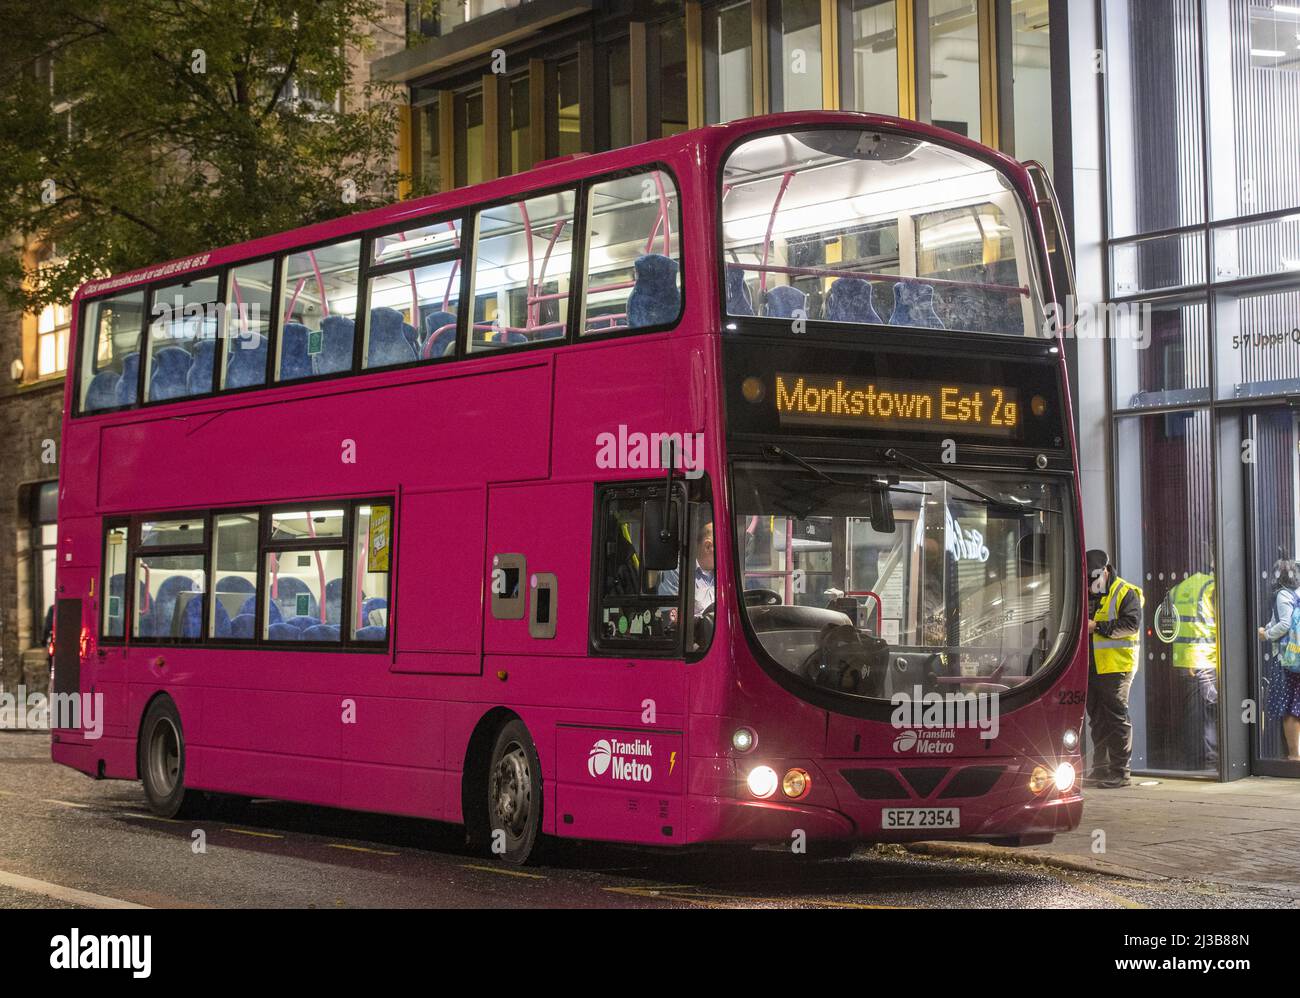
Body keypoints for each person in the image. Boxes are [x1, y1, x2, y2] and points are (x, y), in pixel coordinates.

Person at [1085, 549, 1143, 789]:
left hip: (1117, 666)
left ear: (1106, 571)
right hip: (1094, 665)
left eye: (1094, 579)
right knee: (1097, 718)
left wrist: (1097, 627)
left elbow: (1131, 624)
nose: (1091, 586)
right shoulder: (1091, 592)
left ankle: (1121, 773)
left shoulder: (1125, 591)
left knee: (1117, 717)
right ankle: (1101, 769)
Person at [1166, 560, 1218, 769]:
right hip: (1205, 659)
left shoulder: (1178, 589)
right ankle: (1210, 760)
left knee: (1193, 715)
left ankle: (1193, 760)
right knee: (1209, 715)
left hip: (1183, 660)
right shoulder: (1211, 587)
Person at [1259, 558, 1300, 762]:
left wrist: (1266, 635)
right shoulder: (1296, 594)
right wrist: (1268, 627)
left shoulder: (1282, 594)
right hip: (1297, 655)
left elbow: (1284, 623)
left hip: (1287, 659)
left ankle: (1293, 755)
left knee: (1289, 708)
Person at [659, 520, 715, 616]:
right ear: (708, 546)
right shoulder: (677, 569)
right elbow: (671, 619)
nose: (728, 556)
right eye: (723, 550)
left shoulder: (723, 573)